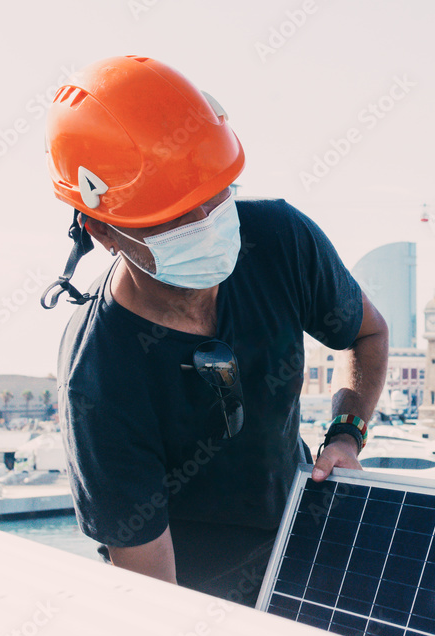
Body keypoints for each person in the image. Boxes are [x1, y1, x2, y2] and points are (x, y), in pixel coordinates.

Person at [41, 55, 388, 606]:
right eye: (174, 214)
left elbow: (368, 335)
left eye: (214, 193)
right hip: (199, 601)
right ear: (100, 231)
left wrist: (347, 434)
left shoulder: (279, 239)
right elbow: (156, 598)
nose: (206, 221)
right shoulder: (99, 381)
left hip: (305, 551)